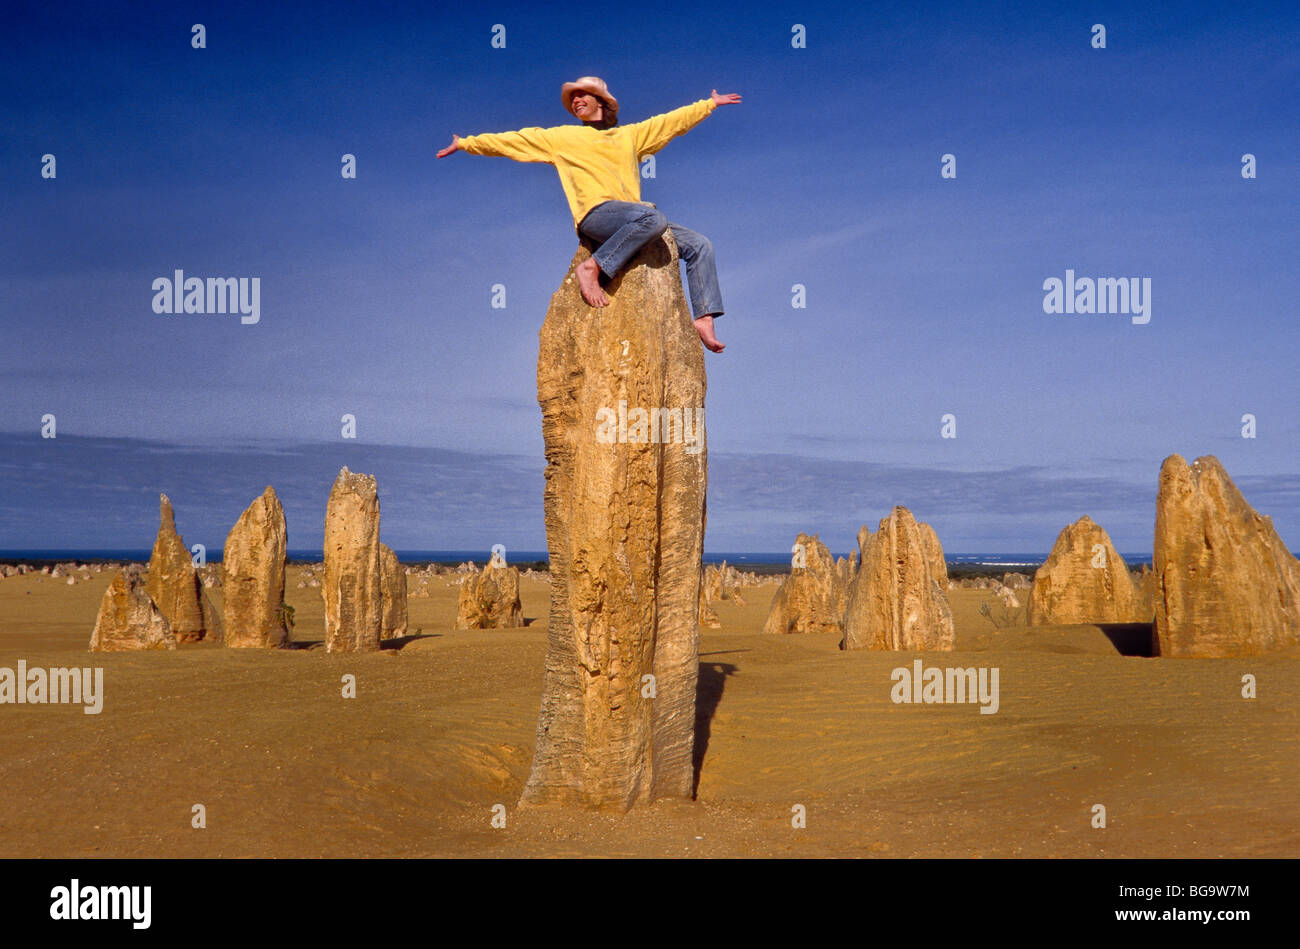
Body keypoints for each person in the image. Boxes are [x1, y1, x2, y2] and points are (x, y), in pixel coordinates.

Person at [437, 76, 741, 353]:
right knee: (652, 218)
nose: (576, 100)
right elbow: (513, 140)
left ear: (602, 102)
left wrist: (709, 105)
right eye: (573, 98)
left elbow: (670, 122)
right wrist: (466, 143)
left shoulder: (629, 136)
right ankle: (592, 267)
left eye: (583, 95)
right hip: (596, 216)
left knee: (700, 244)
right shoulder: (562, 138)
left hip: (632, 219)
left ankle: (703, 317)